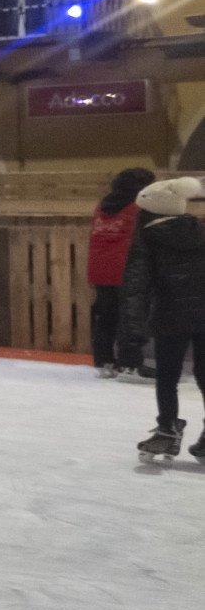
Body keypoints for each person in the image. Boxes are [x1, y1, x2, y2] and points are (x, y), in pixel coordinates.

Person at [121, 176, 205, 462]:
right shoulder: (199, 229)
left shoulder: (146, 238)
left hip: (170, 315)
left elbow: (136, 284)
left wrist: (133, 327)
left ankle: (168, 429)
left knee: (167, 377)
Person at [88, 167, 157, 379]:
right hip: (126, 269)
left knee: (106, 318)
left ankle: (104, 362)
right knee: (131, 317)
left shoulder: (103, 206)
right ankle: (130, 364)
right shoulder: (139, 207)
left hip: (100, 268)